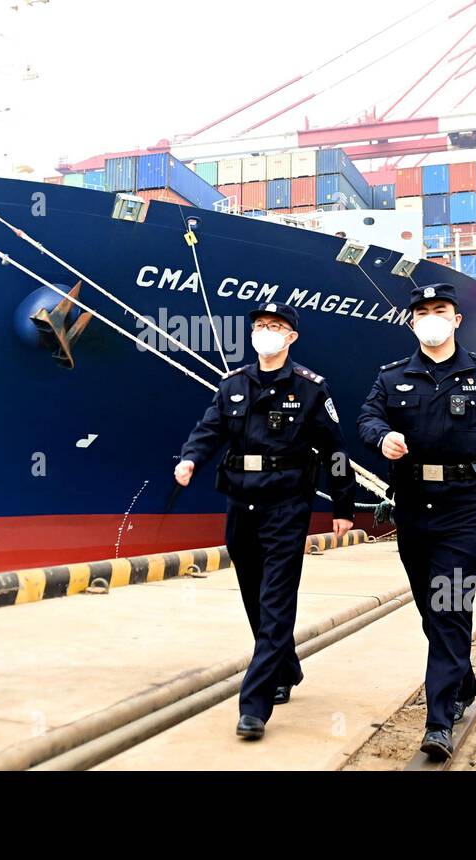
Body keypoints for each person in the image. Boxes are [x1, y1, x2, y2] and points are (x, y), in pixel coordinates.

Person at [356, 282, 476, 761]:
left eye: (440, 309)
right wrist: (381, 438)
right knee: (431, 608)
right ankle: (461, 681)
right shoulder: (391, 377)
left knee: (449, 606)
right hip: (414, 506)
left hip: (467, 508)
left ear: (457, 319)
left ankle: (439, 720)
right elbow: (366, 419)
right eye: (422, 312)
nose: (432, 318)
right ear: (411, 322)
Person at [175, 302, 356, 740]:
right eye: (260, 326)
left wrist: (344, 508)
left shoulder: (312, 388)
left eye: (276, 326)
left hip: (286, 504)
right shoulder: (233, 384)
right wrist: (190, 459)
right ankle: (285, 667)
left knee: (276, 599)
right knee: (254, 594)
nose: (266, 332)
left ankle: (254, 704)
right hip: (240, 501)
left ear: (291, 337)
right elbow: (209, 429)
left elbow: (335, 449)